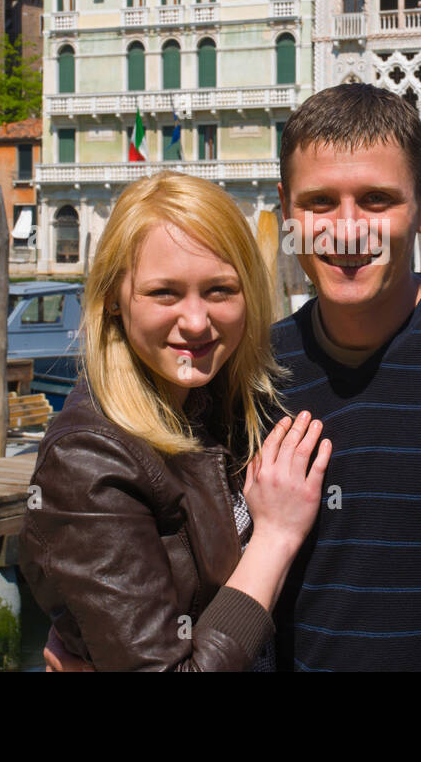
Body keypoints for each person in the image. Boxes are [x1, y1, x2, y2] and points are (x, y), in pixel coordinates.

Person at [47, 84, 421, 672]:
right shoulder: (250, 373)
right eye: (319, 203)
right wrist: (83, 636)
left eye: (376, 200)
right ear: (287, 211)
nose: (347, 229)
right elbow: (174, 555)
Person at [19, 172, 332, 671]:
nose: (195, 321)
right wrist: (274, 537)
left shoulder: (221, 402)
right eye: (164, 292)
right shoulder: (87, 458)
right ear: (115, 301)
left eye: (219, 290)